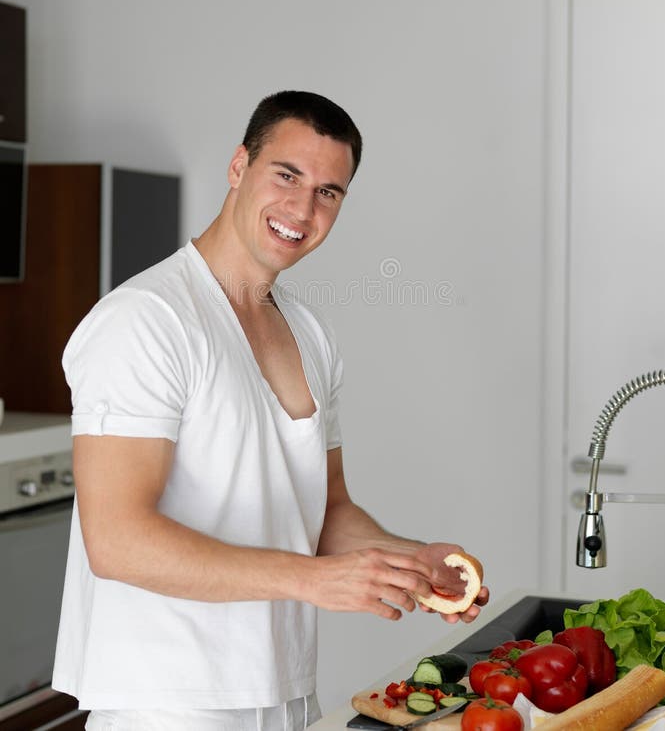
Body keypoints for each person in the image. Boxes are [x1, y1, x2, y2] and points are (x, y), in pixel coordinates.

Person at [52, 91, 489, 731]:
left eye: (328, 192)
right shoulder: (146, 321)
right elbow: (118, 542)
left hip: (283, 695)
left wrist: (410, 562)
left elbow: (326, 512)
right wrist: (315, 582)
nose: (302, 208)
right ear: (238, 167)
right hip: (168, 703)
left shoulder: (311, 332)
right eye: (287, 175)